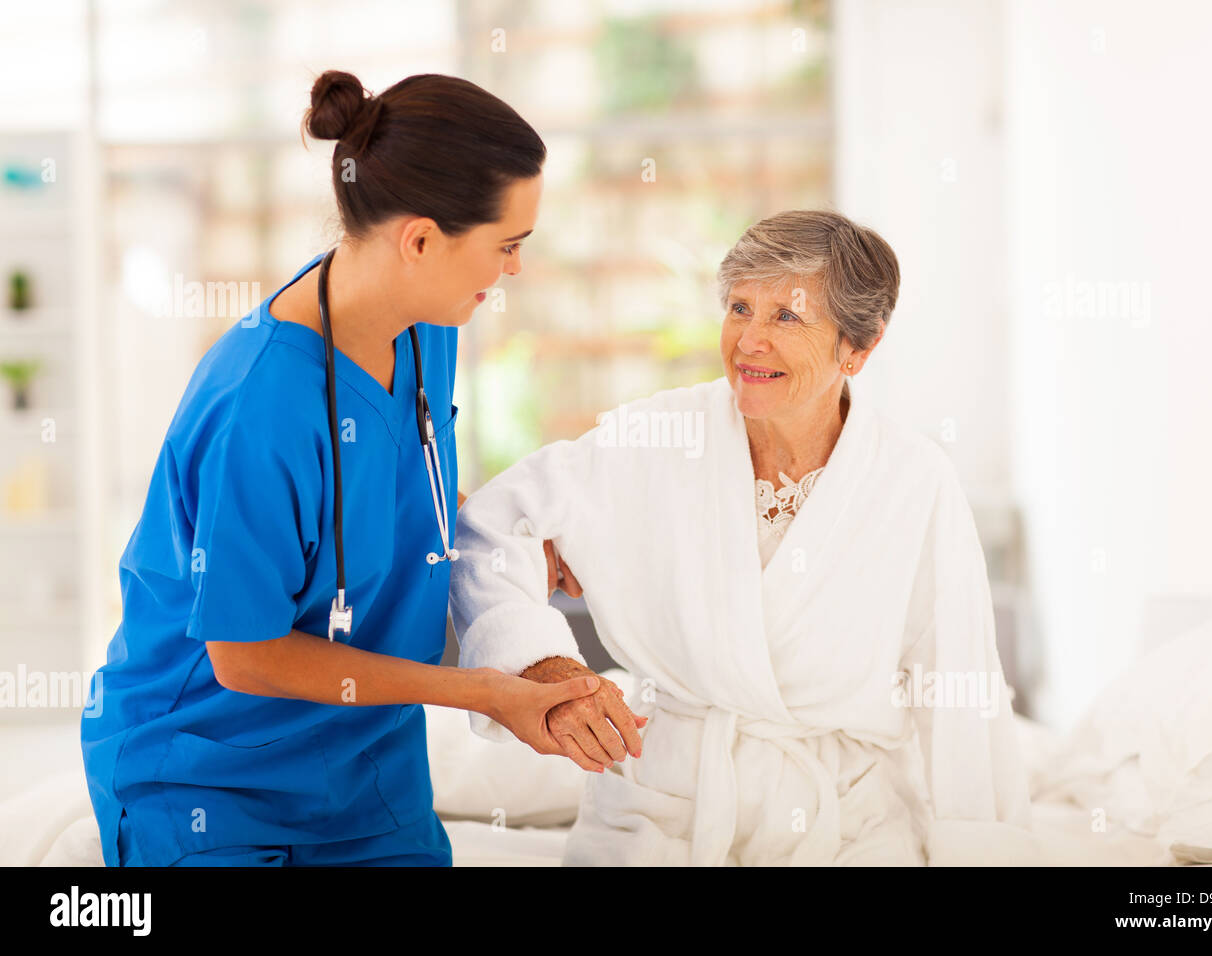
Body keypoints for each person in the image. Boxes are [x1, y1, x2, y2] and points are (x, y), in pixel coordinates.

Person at [80, 70, 640, 867]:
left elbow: (393, 493)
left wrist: (520, 550)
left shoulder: (427, 324)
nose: (513, 269)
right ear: (420, 239)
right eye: (507, 245)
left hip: (366, 772)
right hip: (210, 778)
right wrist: (483, 690)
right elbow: (247, 655)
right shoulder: (261, 404)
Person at [451, 209, 1040, 866]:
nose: (749, 341)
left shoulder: (914, 480)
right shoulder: (660, 435)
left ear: (859, 347)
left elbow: (960, 683)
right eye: (738, 308)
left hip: (845, 820)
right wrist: (541, 664)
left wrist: (983, 850)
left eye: (786, 316)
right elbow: (491, 526)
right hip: (662, 803)